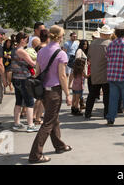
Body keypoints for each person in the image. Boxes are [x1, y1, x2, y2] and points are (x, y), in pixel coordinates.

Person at [29, 25, 72, 164]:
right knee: (48, 123)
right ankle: (35, 155)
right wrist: (68, 94)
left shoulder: (41, 51)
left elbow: (37, 72)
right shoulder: (61, 53)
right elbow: (62, 76)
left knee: (53, 118)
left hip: (43, 90)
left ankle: (59, 145)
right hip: (54, 90)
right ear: (59, 37)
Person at [10, 32, 39, 133]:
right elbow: (32, 63)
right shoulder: (21, 51)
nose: (27, 41)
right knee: (29, 102)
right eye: (26, 39)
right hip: (24, 79)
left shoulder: (14, 50)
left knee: (18, 101)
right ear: (22, 40)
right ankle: (30, 125)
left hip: (16, 78)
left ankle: (16, 123)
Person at [86, 25, 113, 119]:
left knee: (92, 94)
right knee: (107, 95)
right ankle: (106, 113)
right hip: (106, 73)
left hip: (95, 72)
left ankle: (87, 112)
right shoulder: (110, 44)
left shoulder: (93, 43)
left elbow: (88, 57)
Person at [33, 29, 50, 125]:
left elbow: (37, 64)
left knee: (39, 98)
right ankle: (38, 117)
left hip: (39, 74)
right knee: (43, 99)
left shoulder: (38, 48)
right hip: (46, 75)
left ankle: (36, 116)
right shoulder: (46, 49)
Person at [75, 39, 89, 110]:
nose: (85, 45)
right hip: (80, 74)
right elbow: (78, 62)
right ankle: (78, 106)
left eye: (86, 44)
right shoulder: (79, 51)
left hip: (82, 73)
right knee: (79, 90)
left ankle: (80, 105)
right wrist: (83, 73)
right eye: (84, 44)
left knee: (80, 89)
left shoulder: (82, 51)